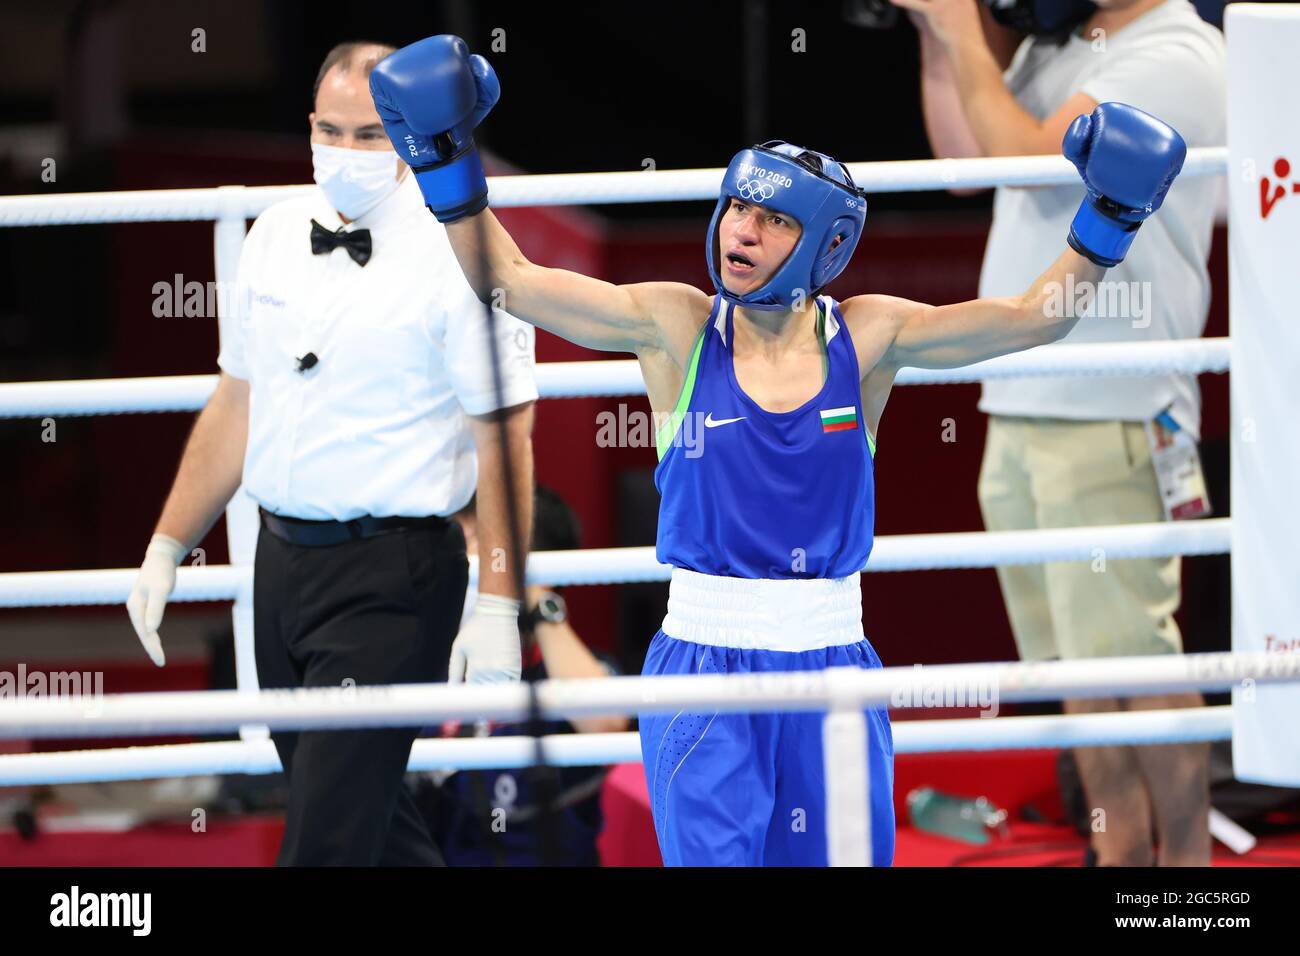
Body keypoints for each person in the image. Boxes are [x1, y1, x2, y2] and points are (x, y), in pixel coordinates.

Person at [368, 34, 1187, 866]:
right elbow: (508, 280)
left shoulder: (868, 338)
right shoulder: (675, 327)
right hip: (701, 664)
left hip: (833, 665)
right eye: (738, 209)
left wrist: (1105, 223)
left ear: (826, 244)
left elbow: (1033, 318)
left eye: (773, 219)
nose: (743, 232)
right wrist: (447, 160)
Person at [124, 41, 538, 866]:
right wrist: (168, 542)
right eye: (330, 130)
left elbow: (506, 436)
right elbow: (236, 401)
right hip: (279, 573)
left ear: (412, 138)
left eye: (370, 134)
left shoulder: (463, 253)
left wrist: (500, 604)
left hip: (392, 581)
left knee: (323, 844)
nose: (345, 153)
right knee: (367, 827)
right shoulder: (274, 234)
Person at [900, 0, 1224, 865]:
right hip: (1017, 397)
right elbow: (966, 164)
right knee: (1075, 679)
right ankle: (1121, 865)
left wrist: (965, 29)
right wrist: (941, 36)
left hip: (1111, 402)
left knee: (1140, 674)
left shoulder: (1178, 51)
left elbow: (1031, 160)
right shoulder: (1062, 46)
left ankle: (1189, 881)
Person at [410, 485, 629, 866]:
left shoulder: (572, 672)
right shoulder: (429, 666)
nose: (461, 558)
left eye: (479, 540)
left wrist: (531, 595)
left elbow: (607, 723)